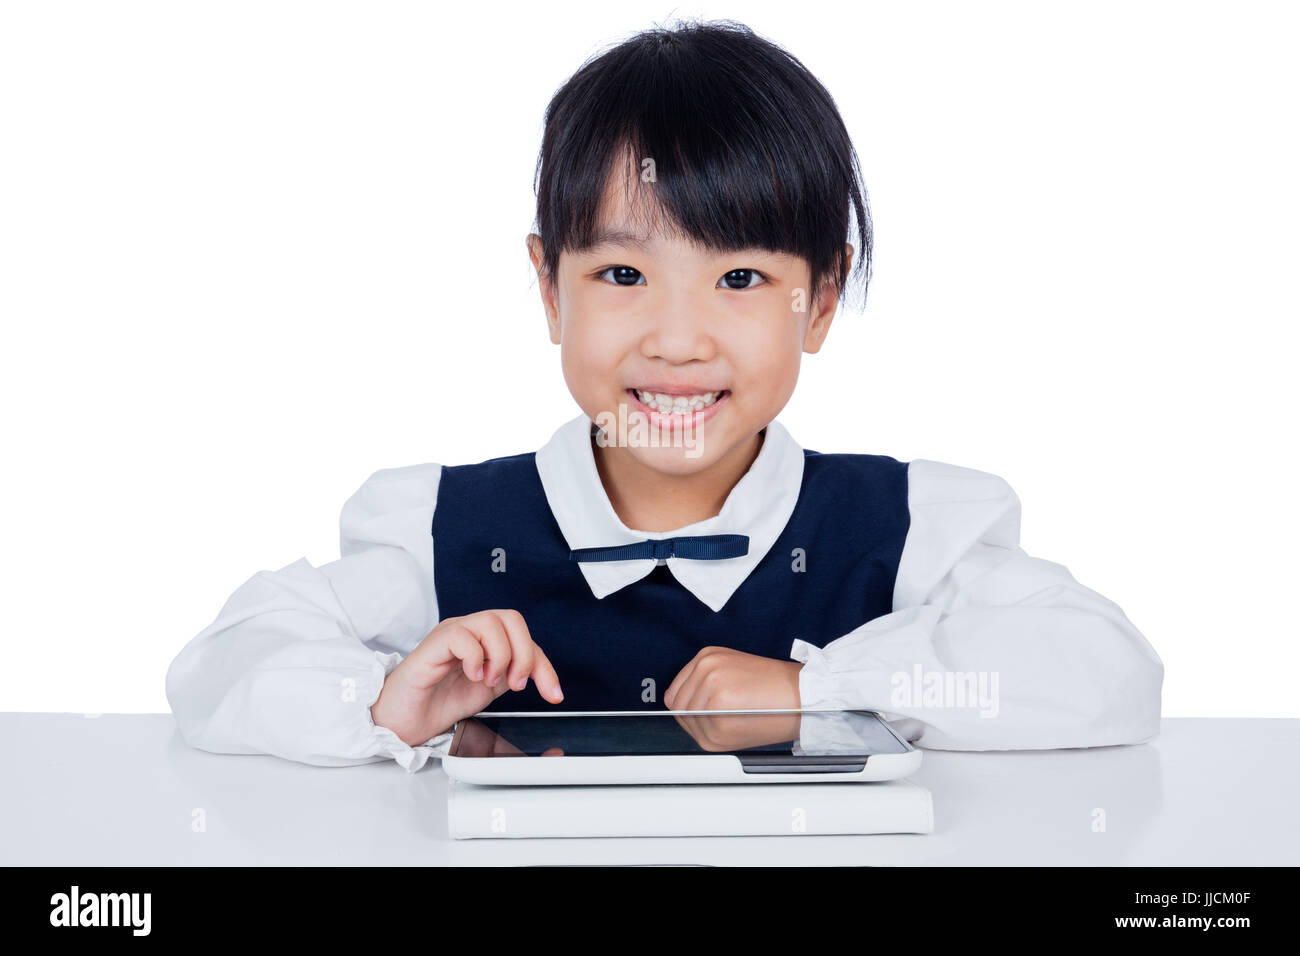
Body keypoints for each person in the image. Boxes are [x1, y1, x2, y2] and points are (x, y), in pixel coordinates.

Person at [166, 19, 1163, 773]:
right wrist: (386, 704)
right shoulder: (444, 530)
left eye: (738, 281)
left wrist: (819, 693)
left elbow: (1107, 672)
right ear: (549, 285)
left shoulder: (903, 526)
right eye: (620, 275)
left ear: (817, 301)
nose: (678, 340)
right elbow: (219, 669)